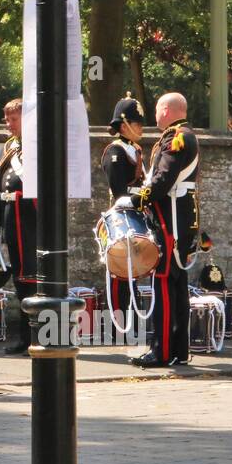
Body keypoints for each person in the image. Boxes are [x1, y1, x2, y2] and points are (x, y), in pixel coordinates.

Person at [130, 92, 200, 368]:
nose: (155, 114)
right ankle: (178, 349)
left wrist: (138, 200)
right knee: (177, 284)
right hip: (178, 217)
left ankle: (162, 350)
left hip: (169, 218)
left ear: (167, 110)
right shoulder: (181, 135)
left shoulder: (177, 138)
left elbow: (163, 180)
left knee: (164, 282)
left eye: (158, 109)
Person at [0, 99, 38, 355]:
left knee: (33, 281)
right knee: (20, 281)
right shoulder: (10, 146)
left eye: (13, 119)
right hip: (11, 220)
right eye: (6, 119)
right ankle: (24, 337)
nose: (8, 125)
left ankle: (36, 336)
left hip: (31, 221)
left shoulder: (38, 147)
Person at [101, 95, 147, 328]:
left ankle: (132, 319)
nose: (140, 126)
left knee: (134, 270)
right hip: (122, 217)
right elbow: (119, 191)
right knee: (119, 270)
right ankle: (117, 321)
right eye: (136, 122)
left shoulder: (135, 149)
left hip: (137, 214)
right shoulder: (115, 151)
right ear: (123, 124)